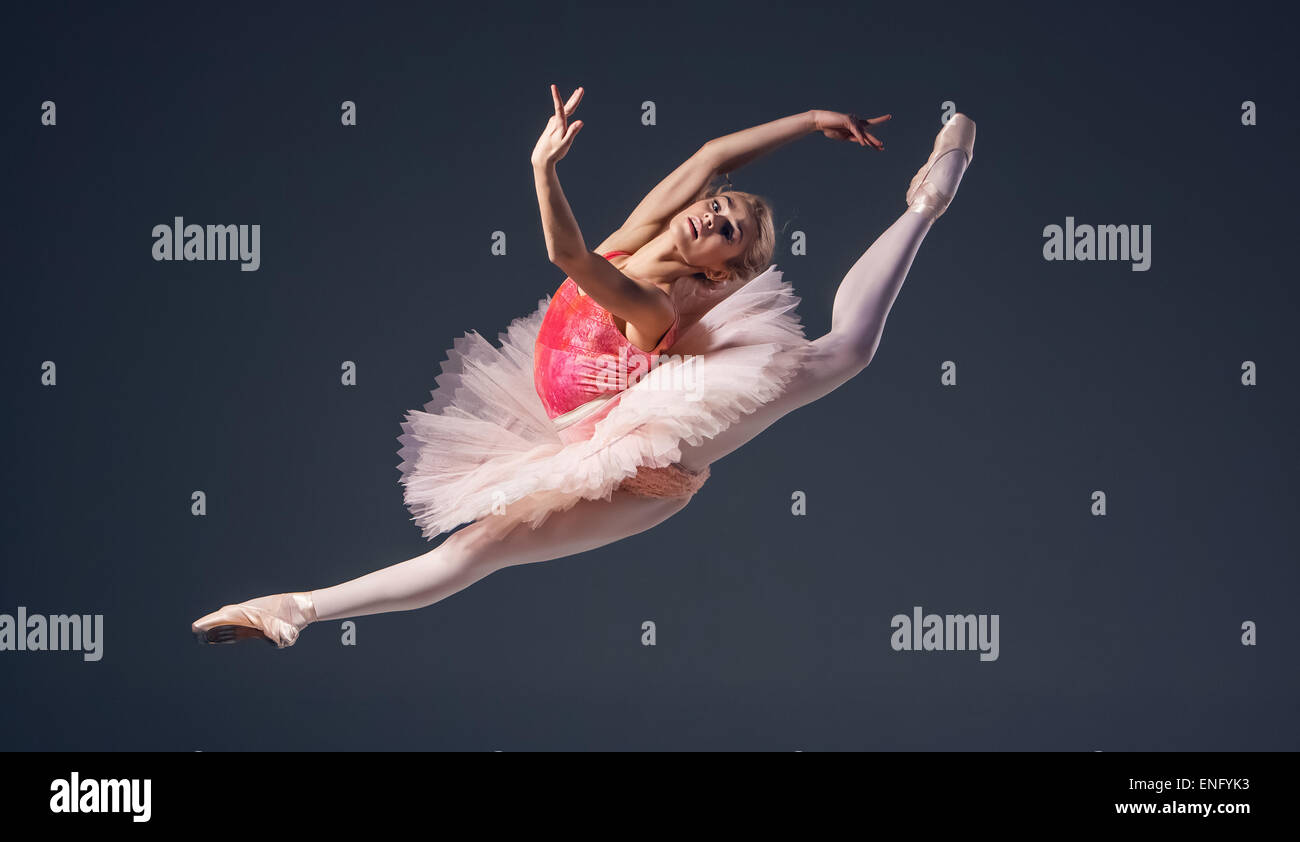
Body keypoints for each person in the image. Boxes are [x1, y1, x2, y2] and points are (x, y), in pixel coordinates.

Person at [192, 85, 975, 648]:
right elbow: (710, 155)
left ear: (723, 270)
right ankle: (295, 607)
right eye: (722, 206)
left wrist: (544, 169)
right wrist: (811, 119)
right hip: (574, 427)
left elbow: (564, 253)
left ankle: (923, 206)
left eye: (729, 232)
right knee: (469, 554)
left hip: (646, 460)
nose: (715, 214)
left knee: (844, 352)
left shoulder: (655, 305)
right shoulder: (638, 233)